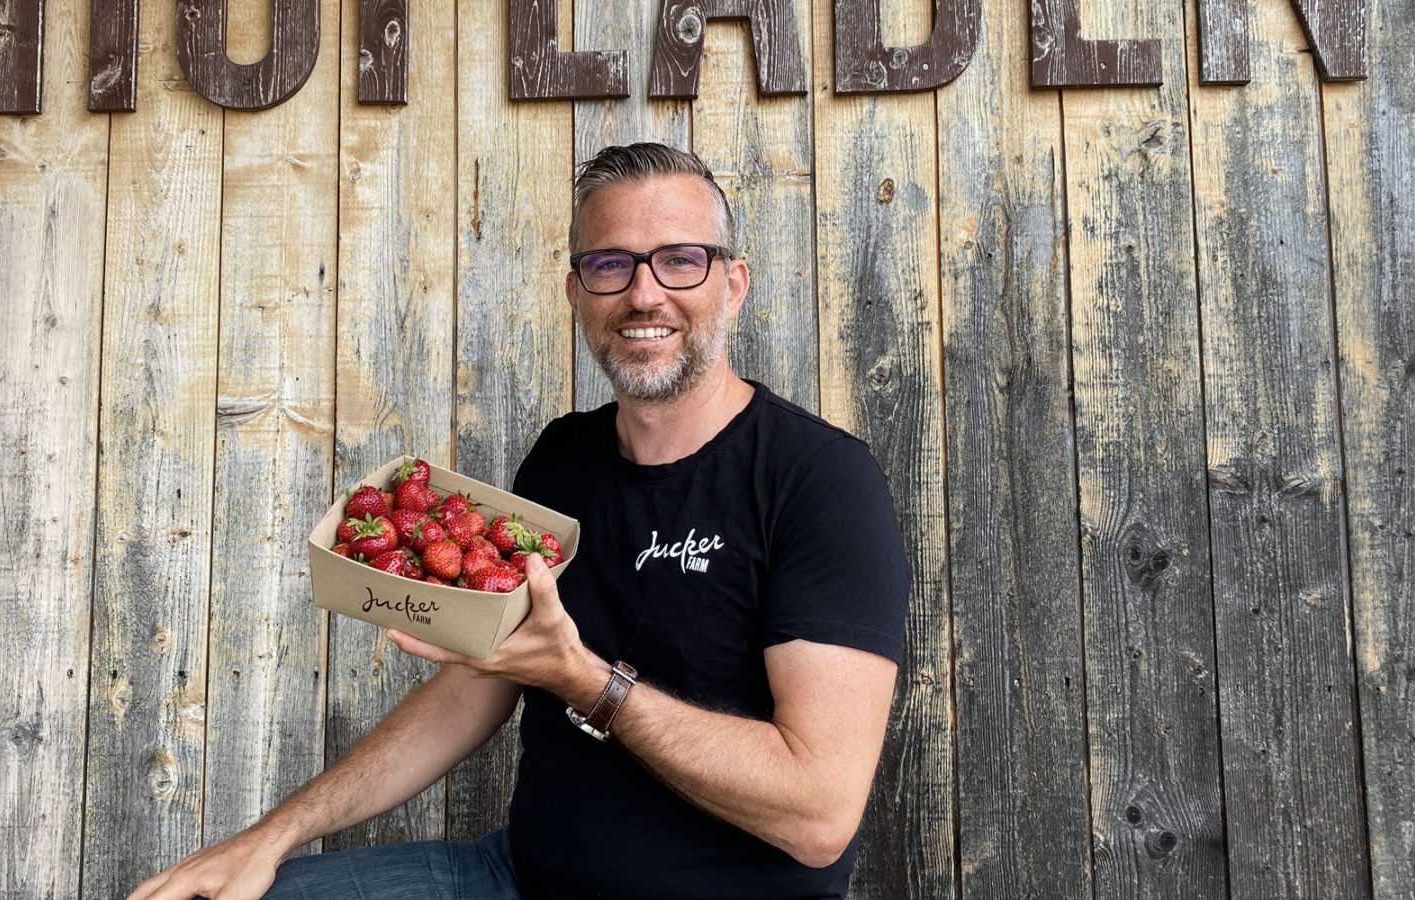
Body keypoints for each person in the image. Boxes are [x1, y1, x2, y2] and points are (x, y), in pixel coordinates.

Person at [127, 143, 910, 900]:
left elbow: (820, 816)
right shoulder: (563, 460)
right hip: (522, 878)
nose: (643, 294)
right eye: (610, 264)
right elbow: (475, 685)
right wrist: (271, 835)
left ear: (733, 285)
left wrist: (583, 679)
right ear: (577, 294)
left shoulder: (820, 482)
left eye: (680, 260)